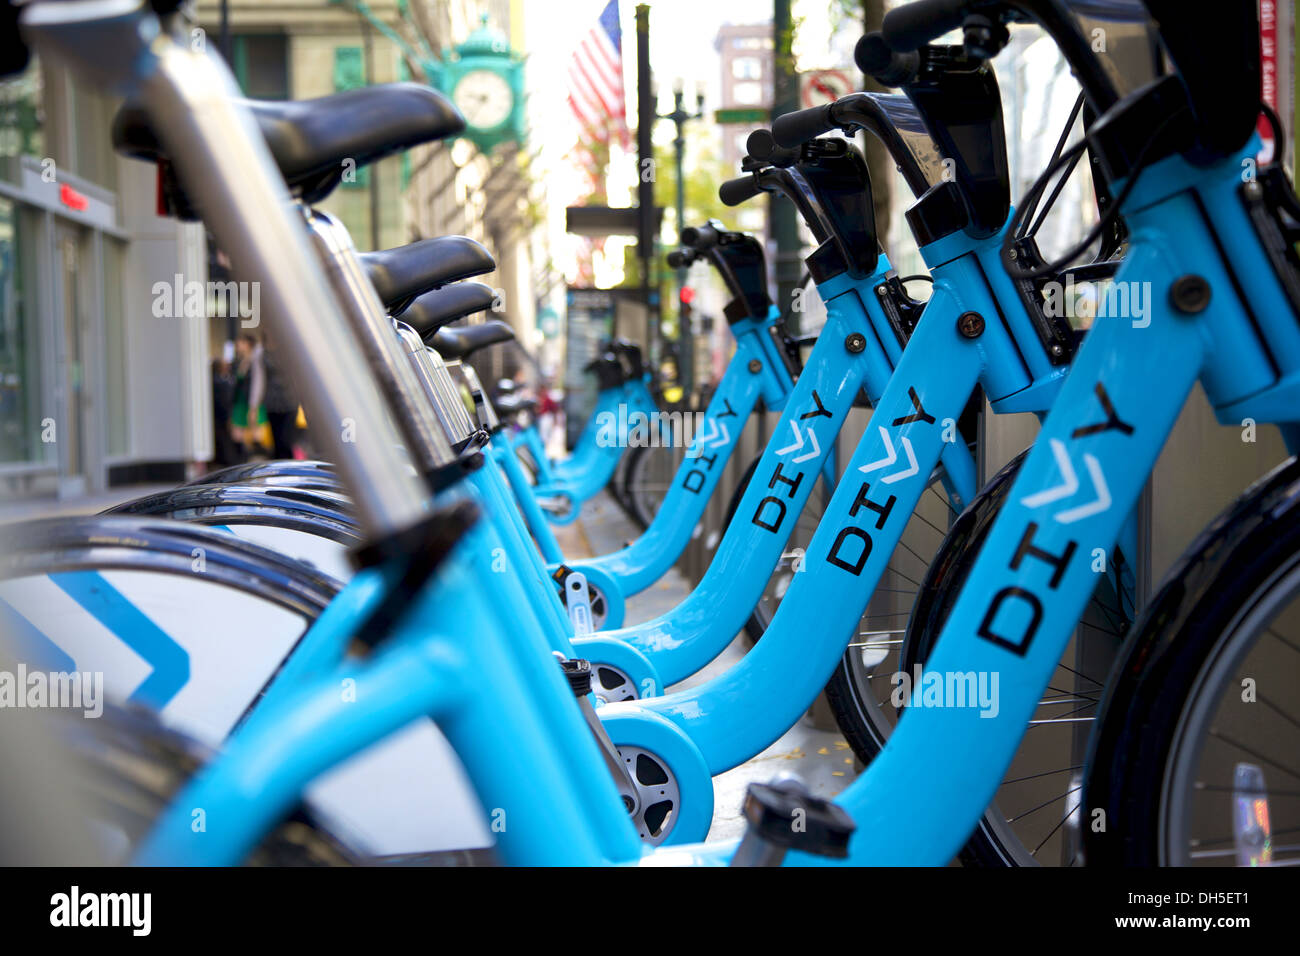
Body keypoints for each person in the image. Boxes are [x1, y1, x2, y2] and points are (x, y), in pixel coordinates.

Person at [258, 332, 298, 460]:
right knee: (276, 440)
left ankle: (289, 465)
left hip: (289, 400)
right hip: (271, 401)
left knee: (286, 440)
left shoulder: (289, 351)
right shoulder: (262, 354)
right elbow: (259, 380)